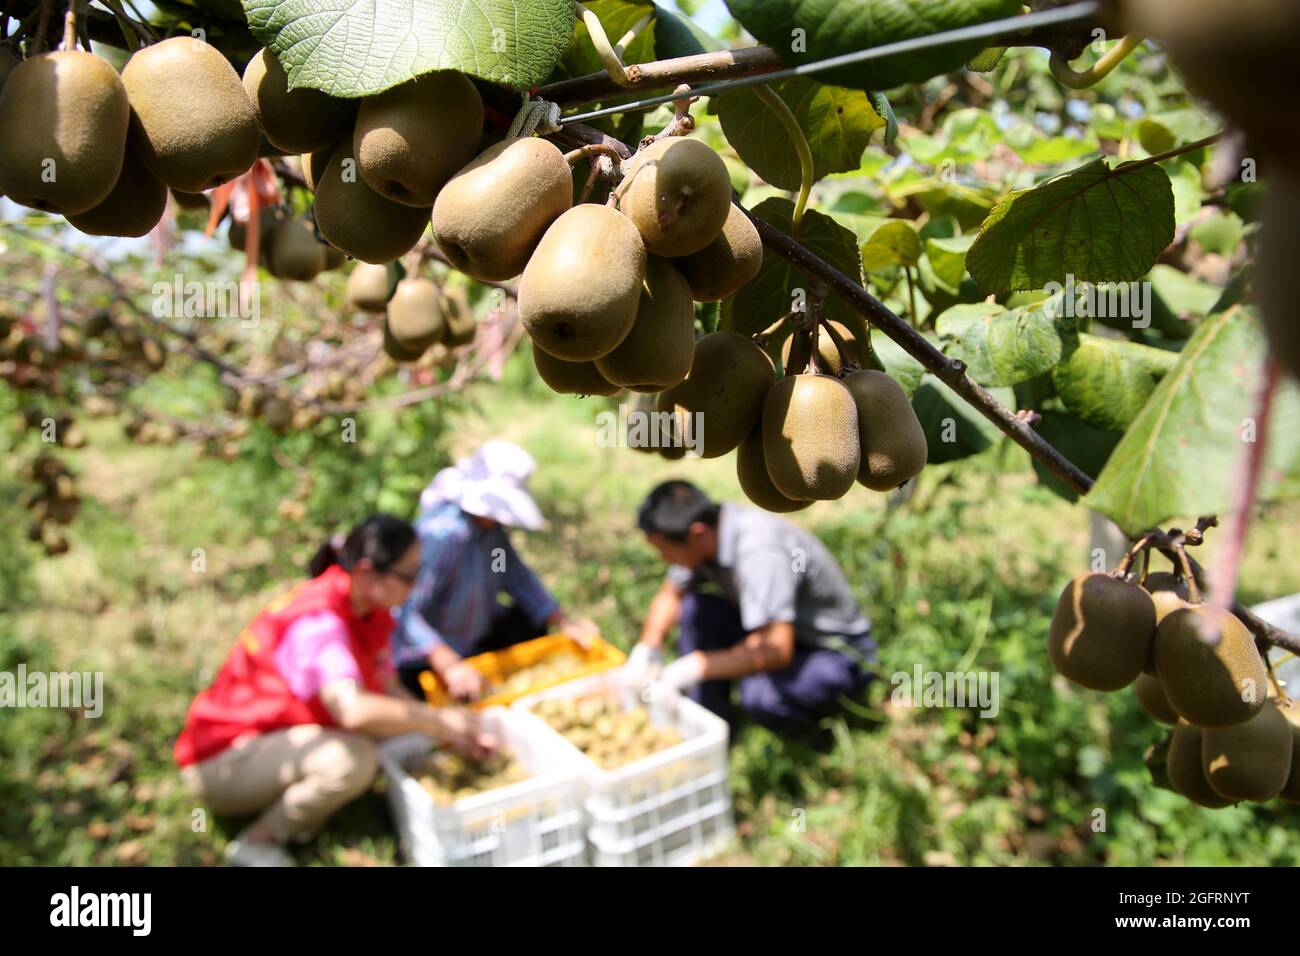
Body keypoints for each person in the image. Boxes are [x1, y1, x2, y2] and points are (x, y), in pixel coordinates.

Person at [174, 514, 495, 867]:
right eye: (408, 576)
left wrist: (442, 734)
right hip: (226, 761)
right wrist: (439, 721)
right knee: (353, 759)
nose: (416, 585)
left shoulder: (367, 609)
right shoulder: (320, 625)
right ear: (367, 572)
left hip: (281, 738)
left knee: (406, 737)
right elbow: (352, 710)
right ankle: (257, 842)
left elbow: (387, 688)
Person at [627, 481, 877, 739]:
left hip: (831, 653)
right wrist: (648, 648)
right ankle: (708, 727)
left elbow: (775, 649)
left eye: (663, 550)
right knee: (695, 609)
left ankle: (818, 739)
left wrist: (695, 667)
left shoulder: (759, 550)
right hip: (777, 631)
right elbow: (672, 593)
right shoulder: (706, 534)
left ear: (697, 533)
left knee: (761, 695)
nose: (664, 559)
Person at [392, 441, 597, 702]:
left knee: (527, 621)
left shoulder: (490, 532)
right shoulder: (443, 537)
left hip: (473, 639)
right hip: (431, 654)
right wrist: (447, 662)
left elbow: (517, 578)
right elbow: (404, 610)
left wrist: (564, 622)